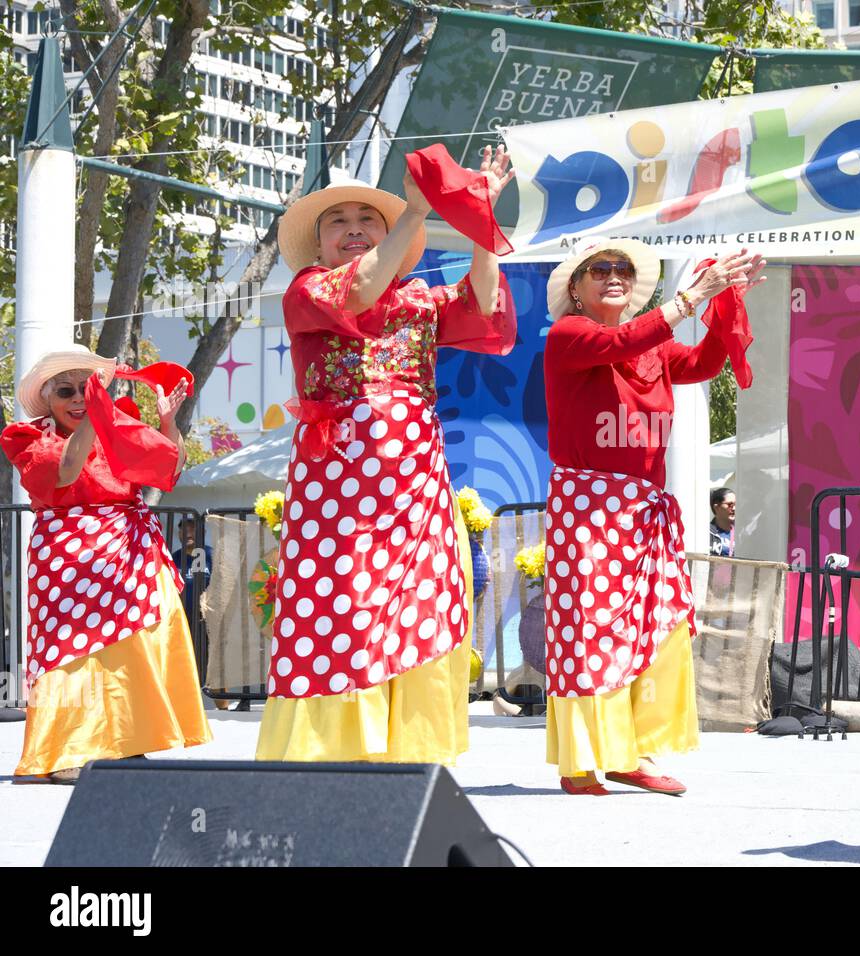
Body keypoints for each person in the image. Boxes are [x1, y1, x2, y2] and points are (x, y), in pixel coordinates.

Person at [255, 145, 516, 763]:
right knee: (343, 602)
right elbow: (359, 291)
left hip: (415, 481)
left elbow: (483, 306)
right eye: (338, 221)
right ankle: (333, 751)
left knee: (423, 601)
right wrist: (416, 210)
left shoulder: (421, 301)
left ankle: (409, 750)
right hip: (339, 482)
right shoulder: (308, 290)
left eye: (366, 219)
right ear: (318, 245)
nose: (353, 229)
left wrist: (480, 219)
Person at [543, 237, 765, 795]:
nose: (614, 275)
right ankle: (580, 761)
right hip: (589, 508)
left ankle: (633, 753)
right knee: (590, 633)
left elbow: (707, 361)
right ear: (575, 287)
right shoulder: (569, 335)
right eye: (600, 269)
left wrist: (726, 305)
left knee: (655, 631)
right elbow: (620, 339)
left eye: (623, 269)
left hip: (644, 513)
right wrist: (691, 299)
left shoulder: (655, 350)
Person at [1, 346, 211, 783]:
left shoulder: (117, 422)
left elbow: (167, 471)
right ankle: (65, 751)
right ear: (48, 398)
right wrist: (99, 414)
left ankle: (126, 743)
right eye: (66, 391)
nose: (78, 398)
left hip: (127, 548)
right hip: (68, 555)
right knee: (72, 653)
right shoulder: (29, 437)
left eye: (86, 388)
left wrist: (168, 424)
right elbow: (65, 470)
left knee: (135, 647)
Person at [708, 486, 736, 557]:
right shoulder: (707, 533)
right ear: (716, 507)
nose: (734, 508)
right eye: (730, 505)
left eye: (736, 504)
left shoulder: (741, 532)